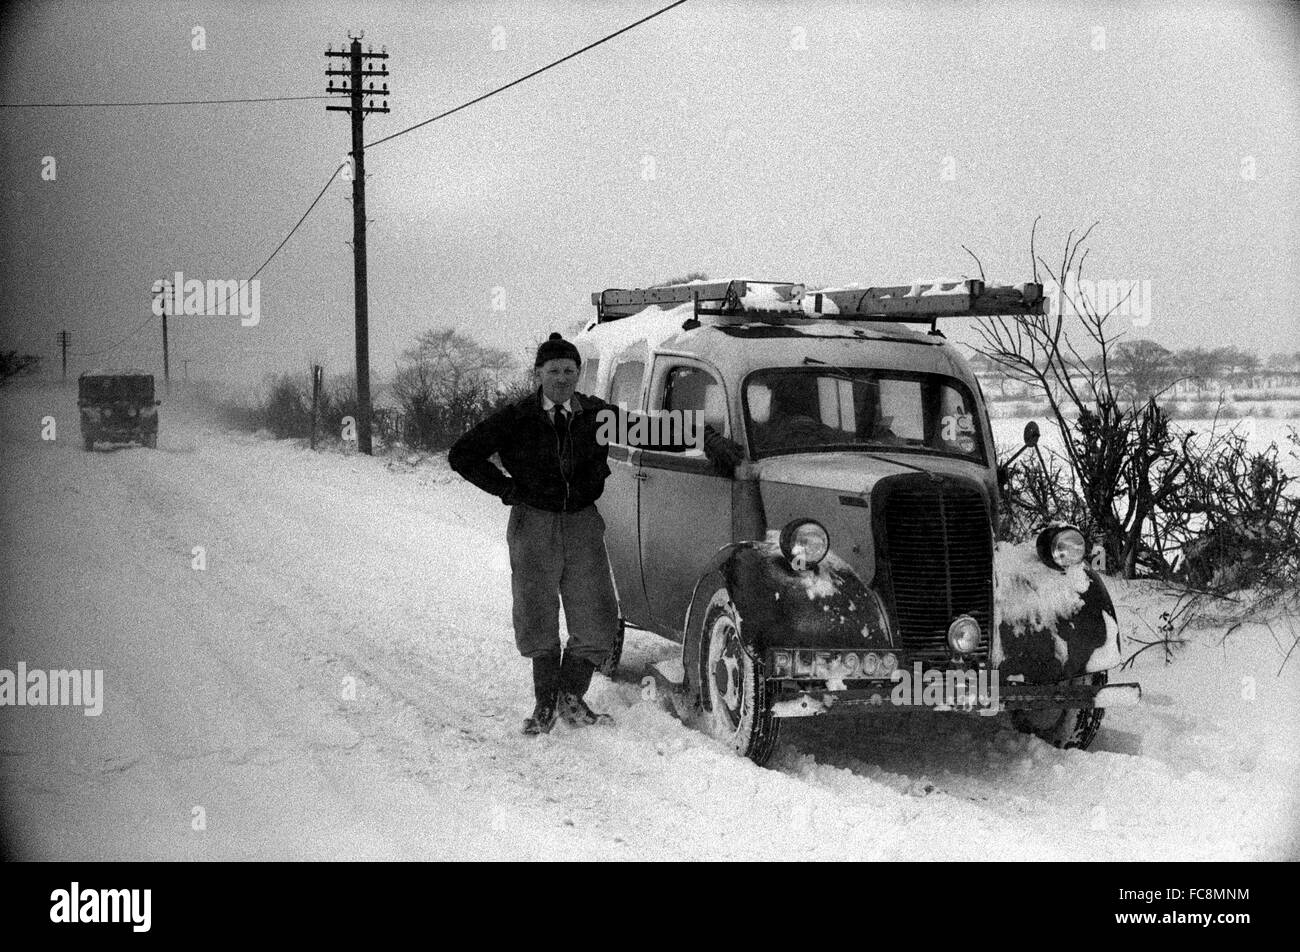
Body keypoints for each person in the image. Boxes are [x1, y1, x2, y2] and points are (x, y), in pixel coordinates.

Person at [449, 333, 742, 735]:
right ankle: (544, 705)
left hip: (583, 523)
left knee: (598, 617)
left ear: (577, 373)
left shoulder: (594, 416)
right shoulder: (517, 418)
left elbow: (648, 430)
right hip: (532, 525)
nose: (562, 378)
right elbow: (462, 454)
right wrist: (505, 488)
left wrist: (705, 437)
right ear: (539, 373)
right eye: (553, 370)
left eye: (569, 370)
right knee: (537, 615)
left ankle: (572, 696)